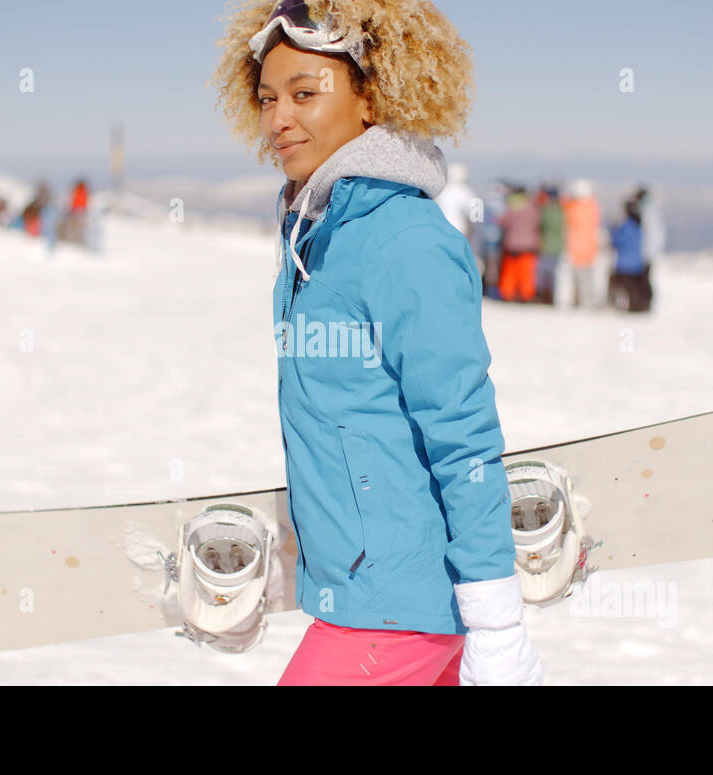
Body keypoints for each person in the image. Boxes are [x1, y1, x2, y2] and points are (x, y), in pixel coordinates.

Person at [214, 0, 543, 686]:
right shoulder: (321, 235)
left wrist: (497, 620)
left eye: (306, 93)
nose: (280, 118)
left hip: (396, 612)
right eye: (269, 97)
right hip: (369, 602)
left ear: (371, 95)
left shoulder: (404, 240)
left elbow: (462, 435)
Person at [495, 185, 540, 302]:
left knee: (510, 271)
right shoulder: (532, 208)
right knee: (526, 272)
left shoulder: (511, 207)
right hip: (529, 245)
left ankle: (507, 294)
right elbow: (538, 223)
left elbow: (501, 222)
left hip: (511, 244)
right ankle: (526, 295)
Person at [561, 178, 601, 308]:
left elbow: (566, 211)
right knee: (587, 279)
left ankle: (579, 302)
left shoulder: (575, 209)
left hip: (576, 249)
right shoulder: (593, 208)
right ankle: (587, 302)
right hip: (590, 249)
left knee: (576, 279)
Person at [607, 197, 651, 312]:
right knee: (633, 290)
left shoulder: (626, 227)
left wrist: (613, 231)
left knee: (618, 286)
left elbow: (617, 241)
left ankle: (613, 305)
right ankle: (636, 307)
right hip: (637, 265)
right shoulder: (639, 226)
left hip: (625, 265)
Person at [535, 183, 565, 304]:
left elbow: (540, 225)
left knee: (543, 274)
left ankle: (543, 296)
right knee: (553, 275)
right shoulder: (561, 211)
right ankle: (550, 298)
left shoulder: (545, 211)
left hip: (545, 246)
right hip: (557, 246)